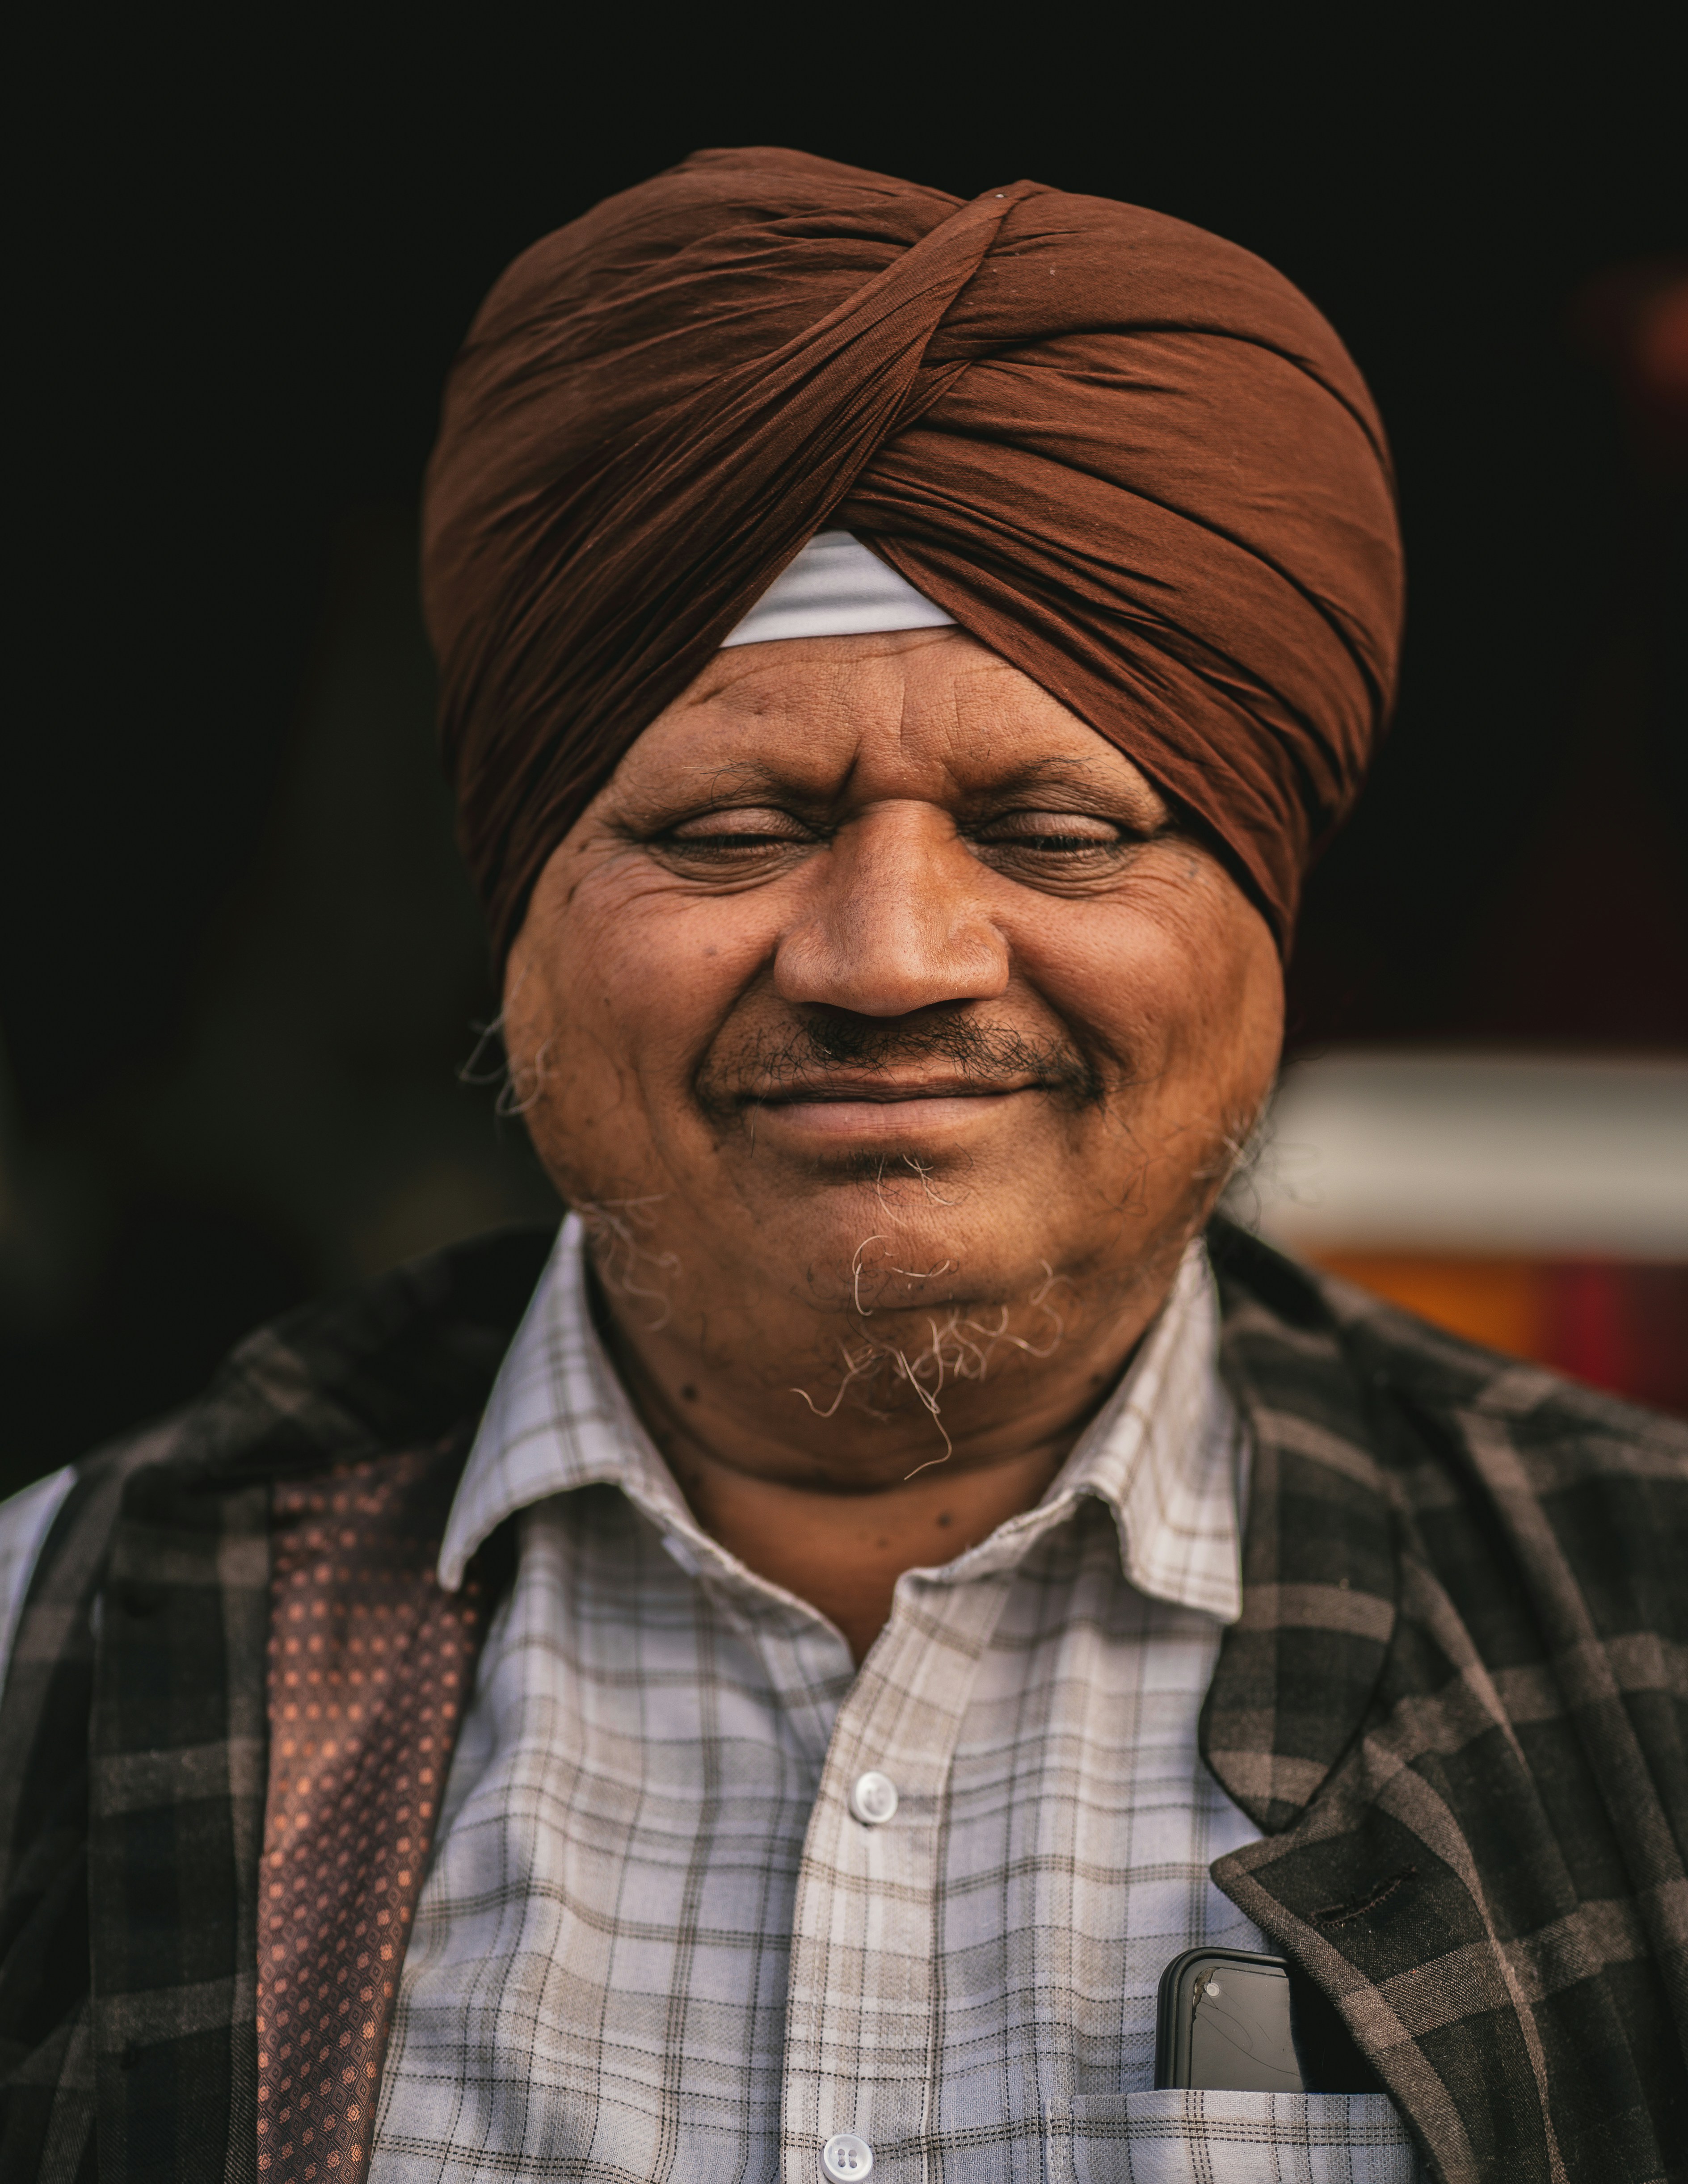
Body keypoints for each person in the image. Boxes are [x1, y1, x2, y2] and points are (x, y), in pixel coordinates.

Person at [0, 149, 1682, 2184]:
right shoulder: (58, 1661)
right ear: (520, 910)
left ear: (1272, 922)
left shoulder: (1640, 1650)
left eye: (1058, 826)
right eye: (727, 827)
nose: (892, 957)